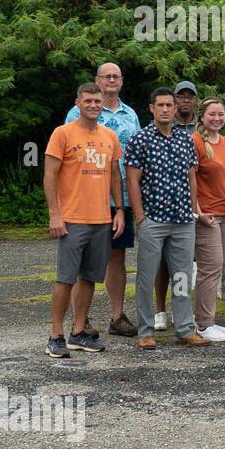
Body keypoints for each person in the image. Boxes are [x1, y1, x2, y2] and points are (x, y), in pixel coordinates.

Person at [44, 83, 124, 357]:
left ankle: (78, 332)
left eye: (97, 101)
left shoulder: (110, 136)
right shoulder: (62, 133)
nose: (93, 105)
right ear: (77, 102)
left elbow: (115, 176)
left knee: (90, 277)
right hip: (72, 218)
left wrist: (120, 210)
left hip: (101, 218)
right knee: (65, 279)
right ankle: (55, 335)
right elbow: (50, 176)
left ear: (103, 103)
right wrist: (55, 213)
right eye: (88, 100)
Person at [124, 87, 208, 349]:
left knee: (182, 276)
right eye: (159, 105)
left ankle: (184, 328)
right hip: (153, 220)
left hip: (183, 220)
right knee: (146, 277)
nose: (165, 109)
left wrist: (193, 210)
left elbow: (191, 176)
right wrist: (140, 217)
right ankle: (145, 330)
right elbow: (132, 180)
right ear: (151, 108)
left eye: (169, 105)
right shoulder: (140, 139)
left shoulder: (185, 139)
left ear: (175, 109)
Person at [65, 62, 139, 338]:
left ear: (121, 81)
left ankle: (117, 316)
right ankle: (79, 321)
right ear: (97, 80)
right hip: (86, 196)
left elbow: (135, 158)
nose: (111, 80)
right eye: (106, 76)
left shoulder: (130, 115)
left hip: (121, 198)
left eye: (116, 76)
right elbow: (67, 156)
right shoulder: (77, 112)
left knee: (116, 256)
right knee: (83, 259)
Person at [191, 98, 225, 342]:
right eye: (212, 114)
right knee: (209, 269)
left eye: (221, 114)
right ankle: (203, 324)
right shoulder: (196, 142)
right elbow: (190, 180)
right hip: (208, 215)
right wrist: (198, 212)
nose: (217, 118)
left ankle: (210, 319)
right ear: (202, 117)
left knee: (216, 268)